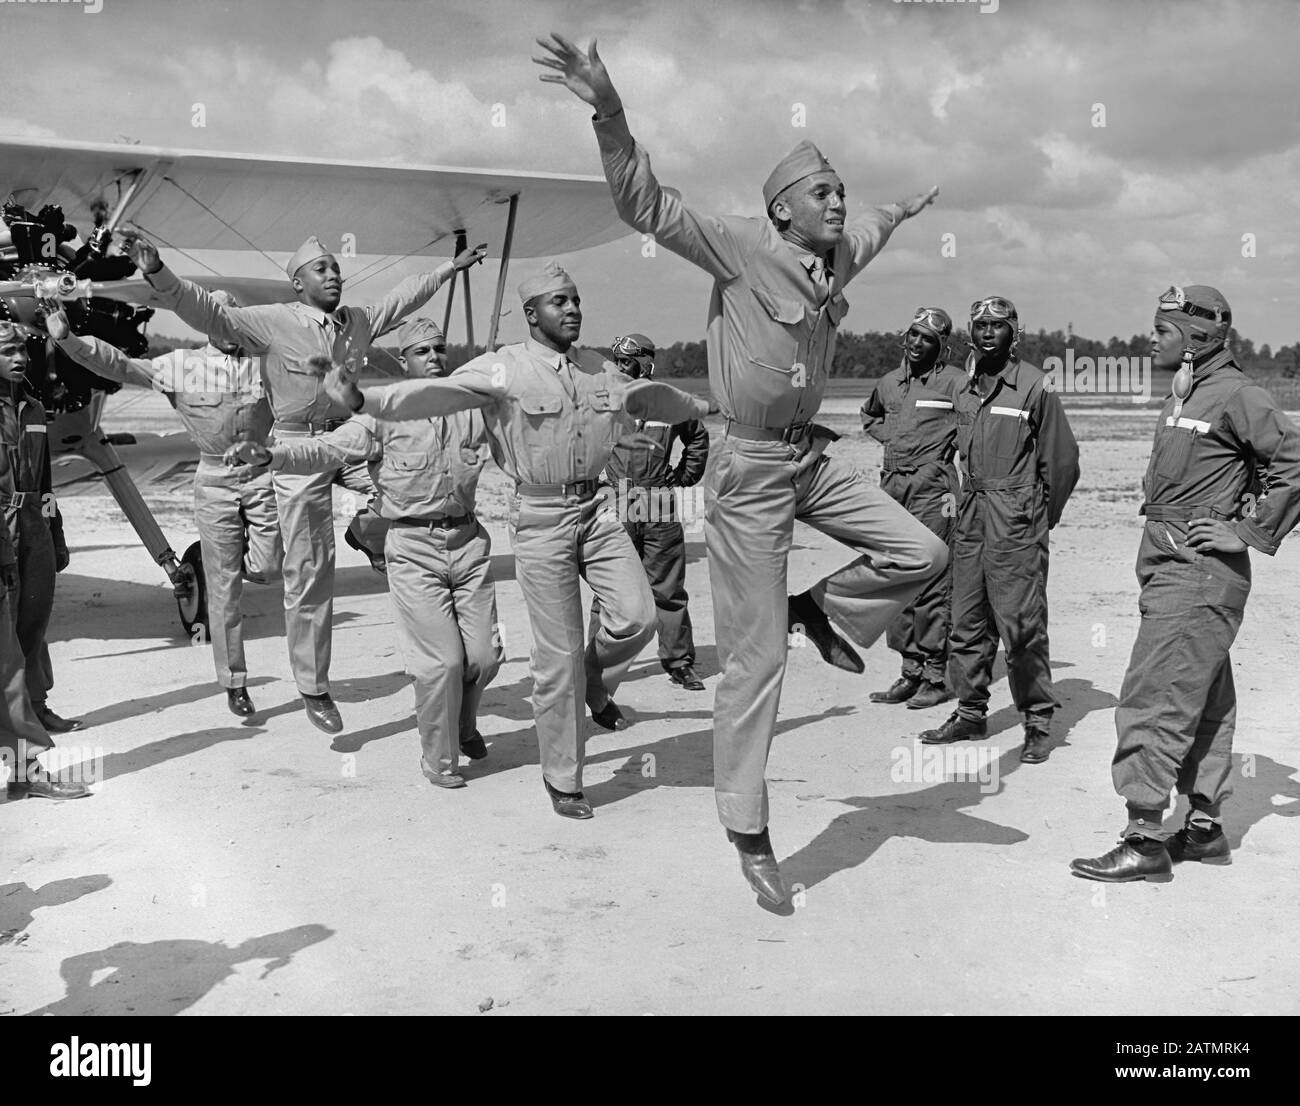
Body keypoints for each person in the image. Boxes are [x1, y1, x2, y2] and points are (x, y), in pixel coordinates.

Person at [535, 33, 947, 903]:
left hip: (813, 460)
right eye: (822, 192)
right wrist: (607, 107)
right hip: (750, 470)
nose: (841, 202)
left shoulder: (833, 257)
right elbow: (646, 204)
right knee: (757, 666)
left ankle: (821, 608)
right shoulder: (739, 251)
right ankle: (748, 825)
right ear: (782, 212)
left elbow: (867, 232)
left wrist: (901, 213)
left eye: (842, 190)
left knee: (924, 555)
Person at [323, 263, 709, 820]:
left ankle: (594, 677)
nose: (572, 308)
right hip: (541, 514)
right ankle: (564, 778)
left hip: (598, 506)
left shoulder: (600, 367)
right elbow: (435, 393)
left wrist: (703, 407)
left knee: (638, 615)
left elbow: (649, 400)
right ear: (532, 314)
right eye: (559, 302)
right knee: (556, 658)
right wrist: (366, 404)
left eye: (576, 298)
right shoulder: (502, 368)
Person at [121, 227, 485, 733]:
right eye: (322, 269)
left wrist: (450, 269)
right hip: (297, 448)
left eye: (337, 267)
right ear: (297, 283)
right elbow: (206, 310)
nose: (334, 274)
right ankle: (269, 683)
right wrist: (158, 271)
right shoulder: (272, 322)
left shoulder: (357, 322)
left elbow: (402, 299)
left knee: (412, 487)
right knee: (308, 573)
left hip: (348, 437)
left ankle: (365, 540)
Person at [1071, 286, 1300, 883]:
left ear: (1198, 339)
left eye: (1163, 330)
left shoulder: (1236, 393)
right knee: (1203, 702)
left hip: (1197, 573)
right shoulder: (1191, 390)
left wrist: (1247, 532)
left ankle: (1144, 835)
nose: (1152, 338)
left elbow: (1296, 457)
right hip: (1172, 563)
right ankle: (1203, 829)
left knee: (1154, 696)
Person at [225, 317, 501, 788]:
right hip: (414, 548)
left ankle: (462, 723)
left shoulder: (472, 409)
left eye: (439, 349)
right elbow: (328, 449)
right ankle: (440, 760)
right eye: (422, 352)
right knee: (444, 664)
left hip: (469, 542)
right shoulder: (381, 414)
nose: (433, 357)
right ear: (405, 361)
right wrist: (275, 457)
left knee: (485, 658)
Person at [46, 294, 283, 716]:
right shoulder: (182, 367)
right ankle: (235, 683)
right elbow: (119, 365)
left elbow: (318, 382)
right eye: (216, 316)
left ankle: (229, 565)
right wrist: (69, 341)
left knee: (268, 567)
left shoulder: (268, 362)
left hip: (258, 475)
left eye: (233, 315)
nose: (226, 323)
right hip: (213, 478)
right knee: (224, 587)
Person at [918, 297, 1079, 764]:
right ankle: (970, 712)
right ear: (971, 333)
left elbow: (1062, 462)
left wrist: (1037, 517)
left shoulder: (1034, 386)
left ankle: (1037, 721)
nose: (988, 333)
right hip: (972, 510)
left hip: (1016, 514)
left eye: (998, 326)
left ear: (1015, 334)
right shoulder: (966, 388)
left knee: (1021, 624)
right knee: (965, 619)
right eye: (981, 325)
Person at [0, 319, 89, 801]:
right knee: (5, 654)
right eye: (6, 350)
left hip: (31, 522)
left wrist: (54, 534)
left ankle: (35, 711)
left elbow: (46, 479)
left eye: (21, 350)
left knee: (31, 626)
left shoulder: (32, 408)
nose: (19, 357)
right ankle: (23, 765)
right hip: (1, 528)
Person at [591, 332, 709, 692]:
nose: (621, 367)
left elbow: (697, 437)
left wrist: (686, 475)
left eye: (627, 362)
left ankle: (678, 662)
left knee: (668, 589)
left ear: (645, 364)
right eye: (617, 361)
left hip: (658, 501)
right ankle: (595, 664)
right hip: (616, 502)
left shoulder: (667, 401)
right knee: (608, 588)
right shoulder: (603, 399)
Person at [861, 308, 965, 710]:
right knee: (897, 575)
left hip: (933, 488)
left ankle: (938, 673)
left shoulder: (955, 382)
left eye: (928, 339)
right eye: (913, 334)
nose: (917, 343)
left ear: (941, 347)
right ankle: (911, 670)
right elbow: (869, 415)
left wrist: (945, 452)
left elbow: (974, 424)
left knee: (934, 578)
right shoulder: (888, 383)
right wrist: (891, 438)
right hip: (893, 486)